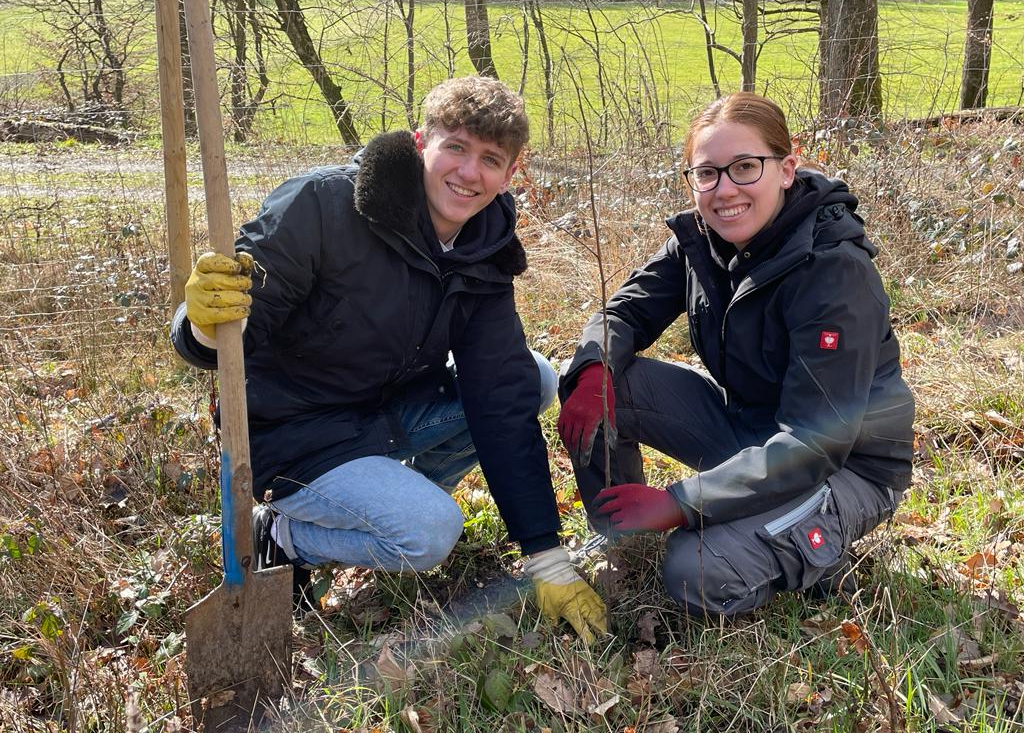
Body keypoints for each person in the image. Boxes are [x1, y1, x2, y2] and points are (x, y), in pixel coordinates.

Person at [171, 76, 606, 642]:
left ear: (510, 174)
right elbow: (229, 336)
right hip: (294, 432)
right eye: (455, 147)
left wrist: (545, 555)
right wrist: (202, 324)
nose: (469, 172)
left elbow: (499, 389)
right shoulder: (322, 206)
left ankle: (393, 499)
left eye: (490, 159)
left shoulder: (485, 247)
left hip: (386, 413)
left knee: (534, 377)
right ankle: (282, 536)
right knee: (429, 533)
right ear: (421, 142)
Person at [557, 92, 915, 616]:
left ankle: (816, 550)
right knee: (601, 379)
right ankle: (625, 540)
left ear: (786, 169)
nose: (725, 190)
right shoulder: (701, 240)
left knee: (697, 570)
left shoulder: (834, 273)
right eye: (707, 173)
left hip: (844, 466)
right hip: (750, 430)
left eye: (745, 167)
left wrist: (680, 503)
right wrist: (594, 370)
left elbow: (815, 444)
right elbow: (623, 314)